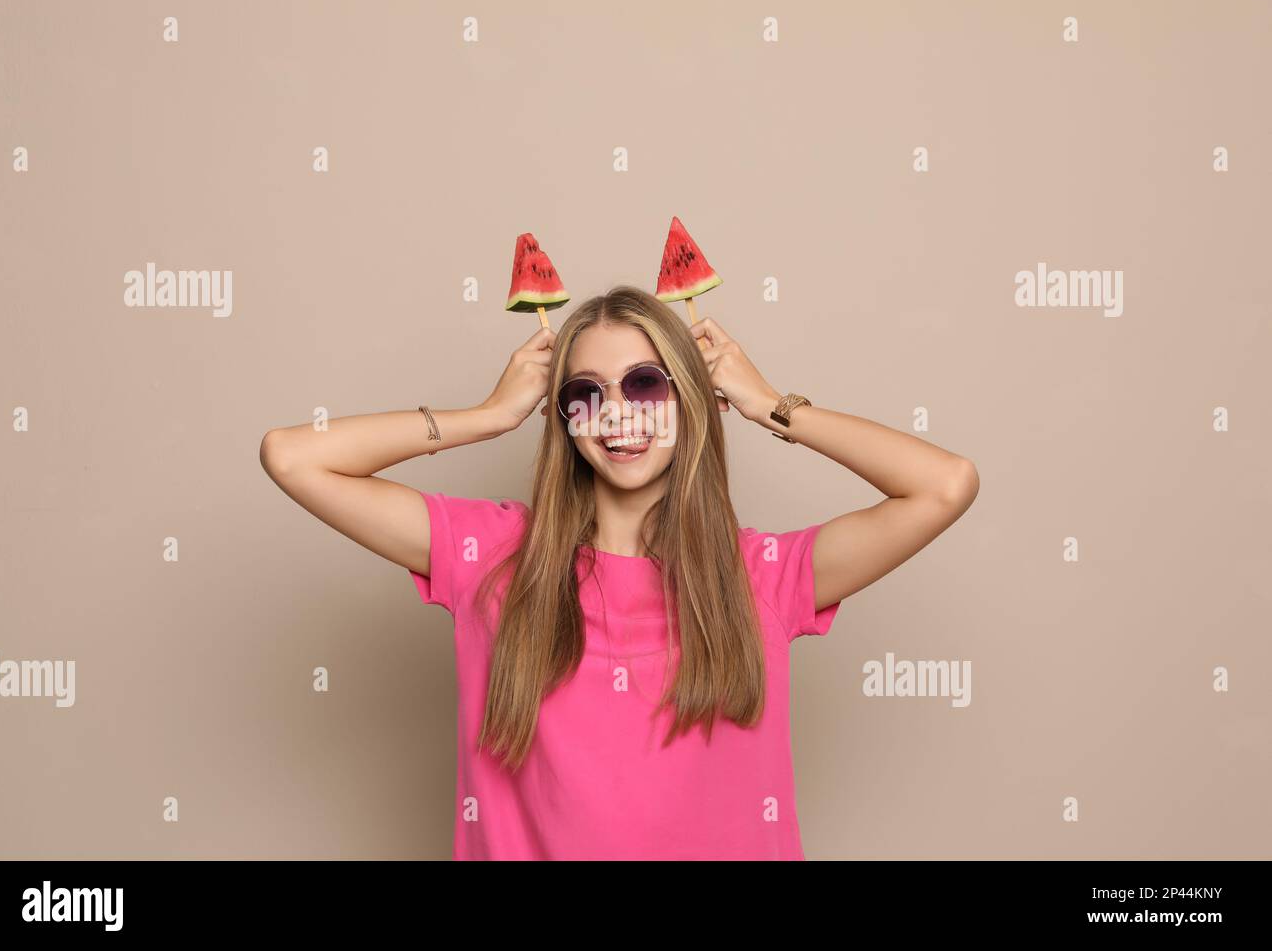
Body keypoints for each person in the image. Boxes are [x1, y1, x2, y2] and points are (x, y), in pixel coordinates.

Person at [259, 284, 979, 859]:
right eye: (585, 393)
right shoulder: (493, 556)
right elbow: (293, 457)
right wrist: (489, 417)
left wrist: (769, 405)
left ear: (690, 400)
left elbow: (946, 483)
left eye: (645, 384)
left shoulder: (761, 575)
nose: (616, 414)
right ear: (564, 416)